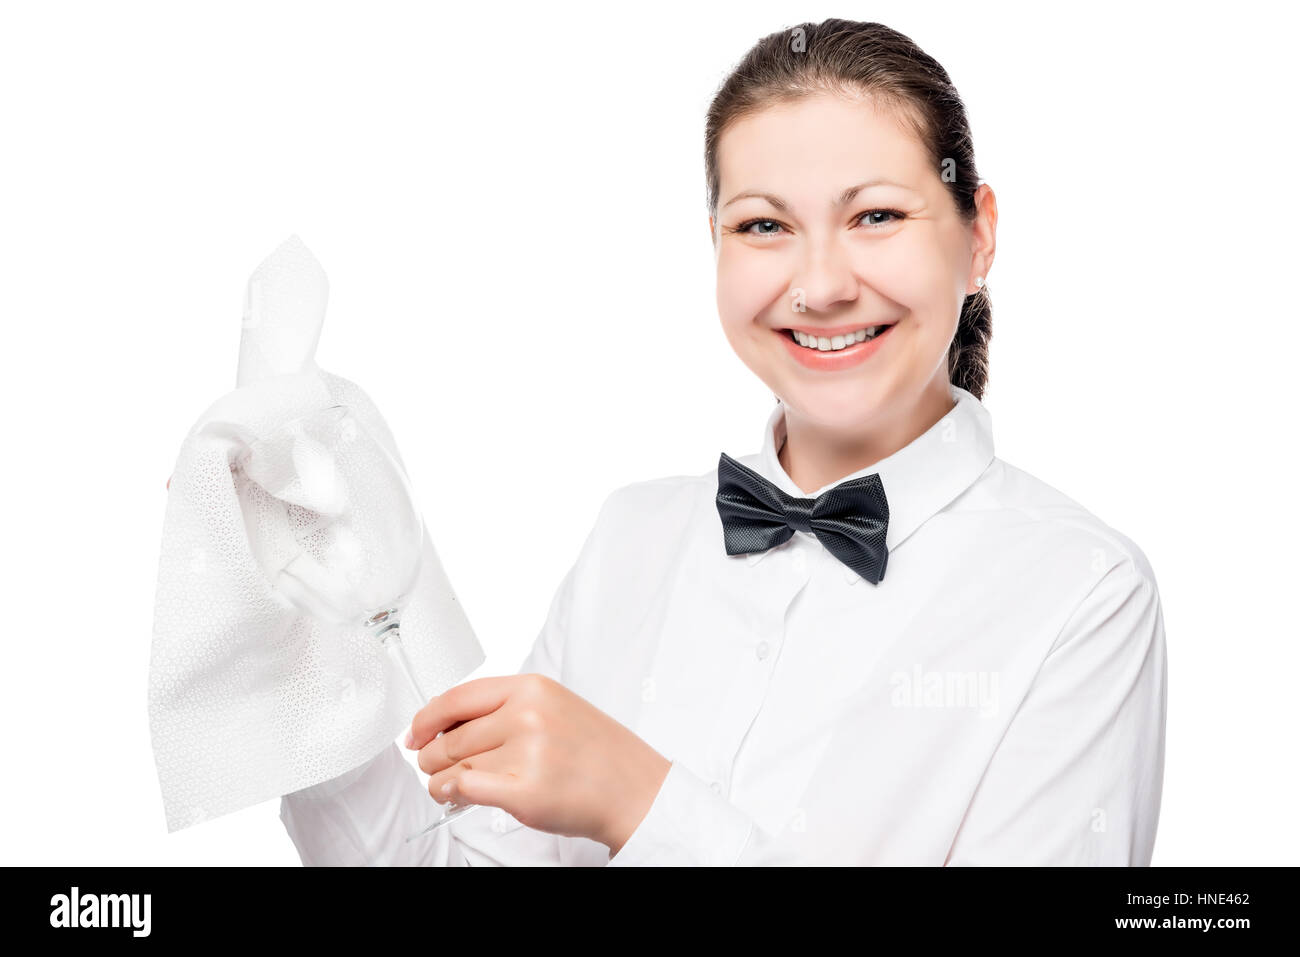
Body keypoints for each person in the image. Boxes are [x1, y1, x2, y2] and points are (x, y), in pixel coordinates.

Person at [268, 19, 1167, 865]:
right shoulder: (632, 534)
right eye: (764, 226)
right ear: (716, 246)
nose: (818, 285)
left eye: (878, 216)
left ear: (979, 237)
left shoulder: (1082, 591)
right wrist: (294, 636)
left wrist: (641, 801)